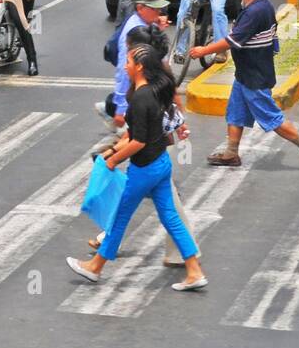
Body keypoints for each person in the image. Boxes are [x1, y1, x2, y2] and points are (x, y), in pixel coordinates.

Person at [66, 44, 207, 291]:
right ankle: (194, 271)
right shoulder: (153, 91)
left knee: (119, 217)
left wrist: (112, 161)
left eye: (129, 61)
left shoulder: (142, 98)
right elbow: (139, 130)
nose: (125, 65)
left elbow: (138, 141)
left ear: (140, 67)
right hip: (162, 163)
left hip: (145, 169)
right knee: (171, 217)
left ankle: (95, 267)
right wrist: (111, 152)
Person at [190, 0, 299, 170]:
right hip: (247, 73)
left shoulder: (254, 12)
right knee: (235, 112)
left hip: (254, 76)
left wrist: (203, 50)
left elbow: (231, 41)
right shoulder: (263, 5)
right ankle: (231, 153)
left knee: (271, 117)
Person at [96, 0, 172, 136]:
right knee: (134, 139)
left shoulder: (144, 23)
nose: (158, 13)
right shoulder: (134, 32)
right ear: (140, 8)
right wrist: (120, 109)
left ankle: (108, 107)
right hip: (136, 97)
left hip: (146, 92)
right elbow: (124, 72)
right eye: (154, 9)